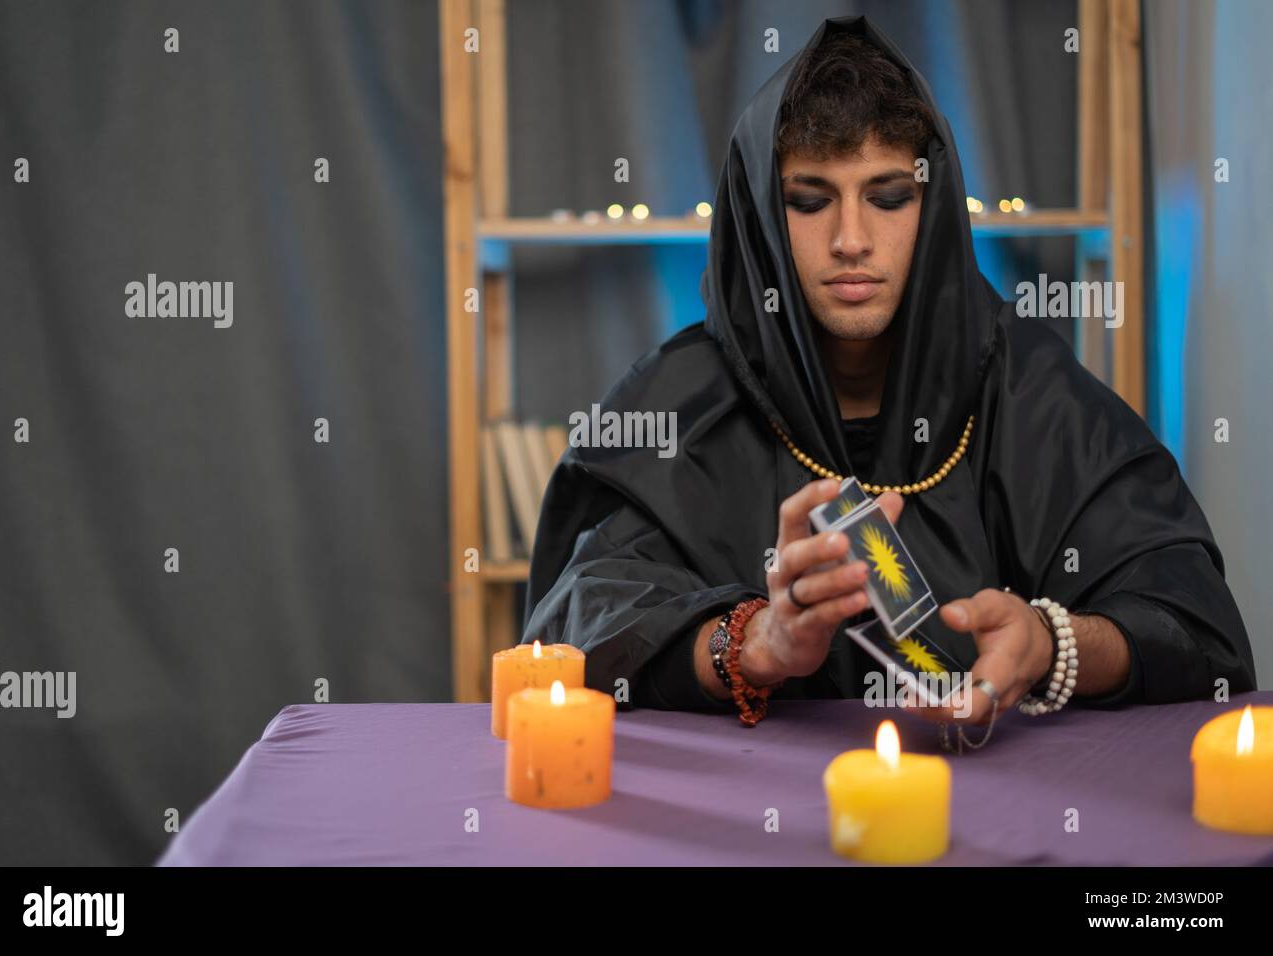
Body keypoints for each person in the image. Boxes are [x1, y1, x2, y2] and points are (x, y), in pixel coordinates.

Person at [521, 17, 1256, 735]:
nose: (851, 241)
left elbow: (1193, 624)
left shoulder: (1030, 389)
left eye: (889, 196)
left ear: (932, 206)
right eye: (809, 201)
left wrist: (1052, 643)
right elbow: (577, 623)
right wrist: (753, 644)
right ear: (760, 218)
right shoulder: (678, 407)